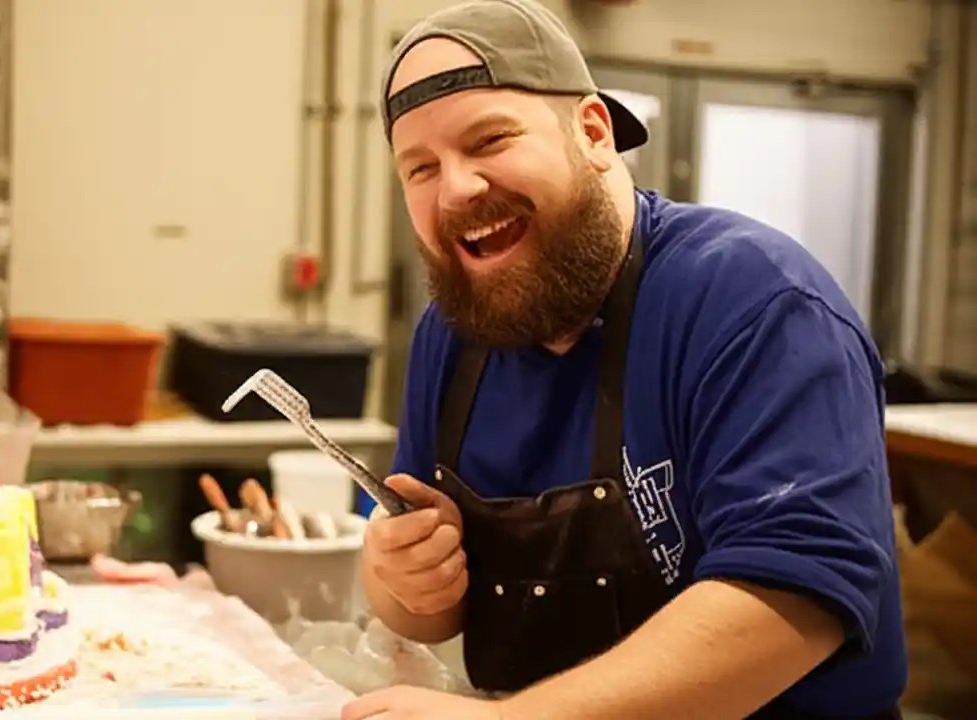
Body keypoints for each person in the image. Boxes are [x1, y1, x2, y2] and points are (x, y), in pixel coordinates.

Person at [342, 1, 907, 718]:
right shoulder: (454, 334)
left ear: (593, 131)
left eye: (489, 140)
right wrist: (400, 577)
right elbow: (431, 614)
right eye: (420, 169)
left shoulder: (754, 300)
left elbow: (796, 599)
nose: (456, 189)